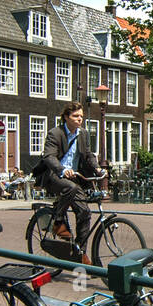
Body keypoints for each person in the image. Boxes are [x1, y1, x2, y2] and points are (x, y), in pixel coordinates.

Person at [33, 103, 100, 255]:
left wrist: (97, 168)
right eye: (76, 116)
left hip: (74, 179)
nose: (80, 119)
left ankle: (79, 252)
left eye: (81, 116)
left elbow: (88, 155)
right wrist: (62, 169)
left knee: (84, 212)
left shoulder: (83, 133)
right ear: (66, 117)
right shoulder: (55, 133)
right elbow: (49, 156)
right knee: (71, 188)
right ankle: (57, 218)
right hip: (54, 176)